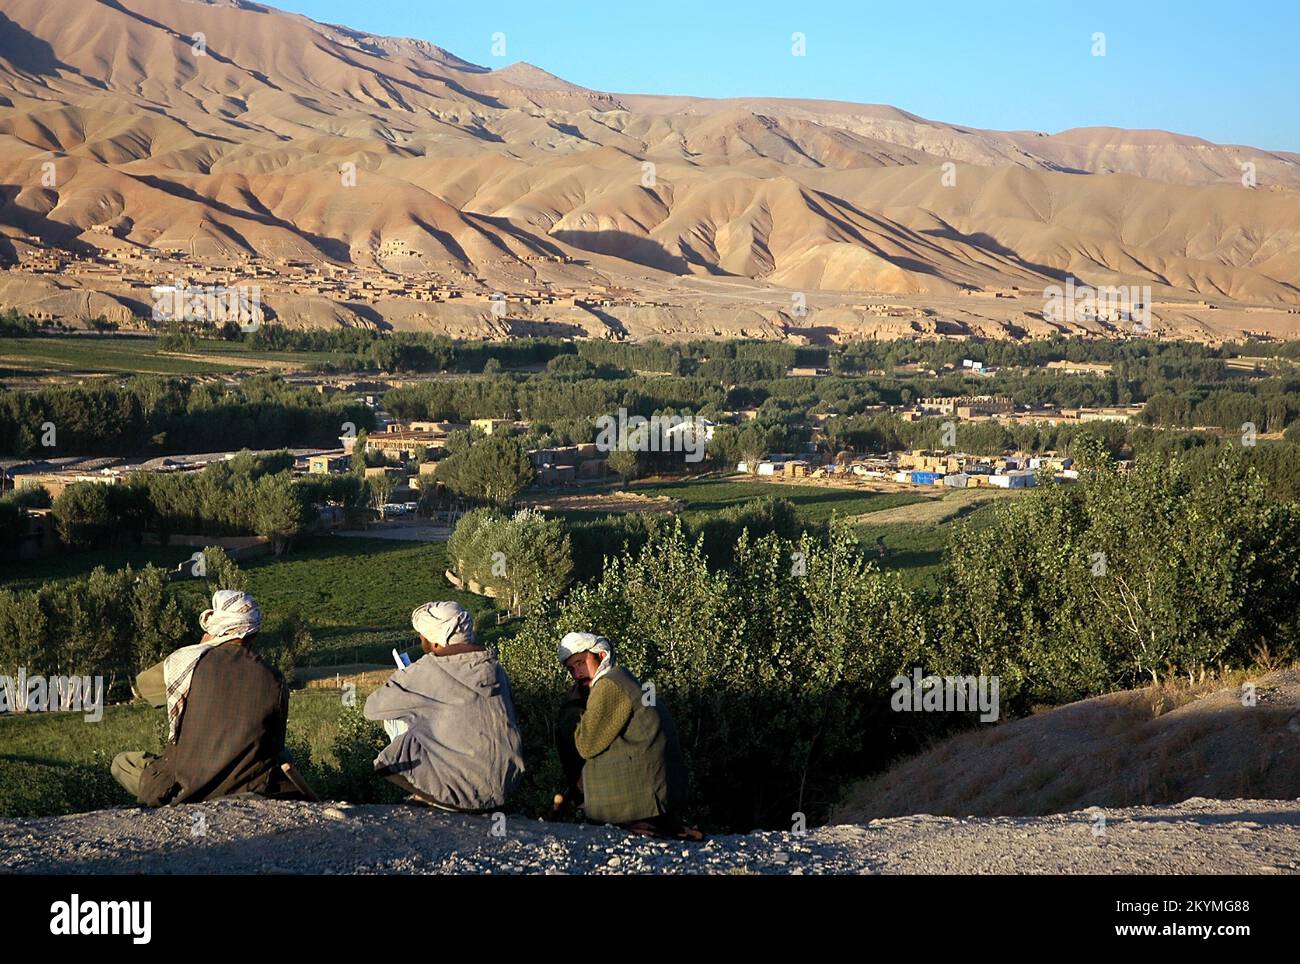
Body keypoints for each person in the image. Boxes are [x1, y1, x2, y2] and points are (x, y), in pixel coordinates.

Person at [111, 590, 298, 806]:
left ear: (214, 627)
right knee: (286, 756)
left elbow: (143, 686)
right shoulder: (275, 678)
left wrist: (201, 647)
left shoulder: (187, 663)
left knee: (122, 763)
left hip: (185, 787)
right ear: (254, 634)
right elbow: (275, 745)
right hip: (249, 786)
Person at [364, 601, 524, 811]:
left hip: (461, 794)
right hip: (505, 787)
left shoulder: (428, 669)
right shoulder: (495, 667)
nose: (422, 643)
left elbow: (372, 708)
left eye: (422, 638)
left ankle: (436, 796)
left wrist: (405, 677)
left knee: (401, 720)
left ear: (436, 642)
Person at [555, 631, 691, 835]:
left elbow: (586, 745)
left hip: (645, 799)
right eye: (572, 669)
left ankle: (623, 818)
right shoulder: (624, 678)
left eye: (581, 663)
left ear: (601, 656)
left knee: (572, 730)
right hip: (660, 792)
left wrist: (573, 708)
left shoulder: (608, 684)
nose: (577, 674)